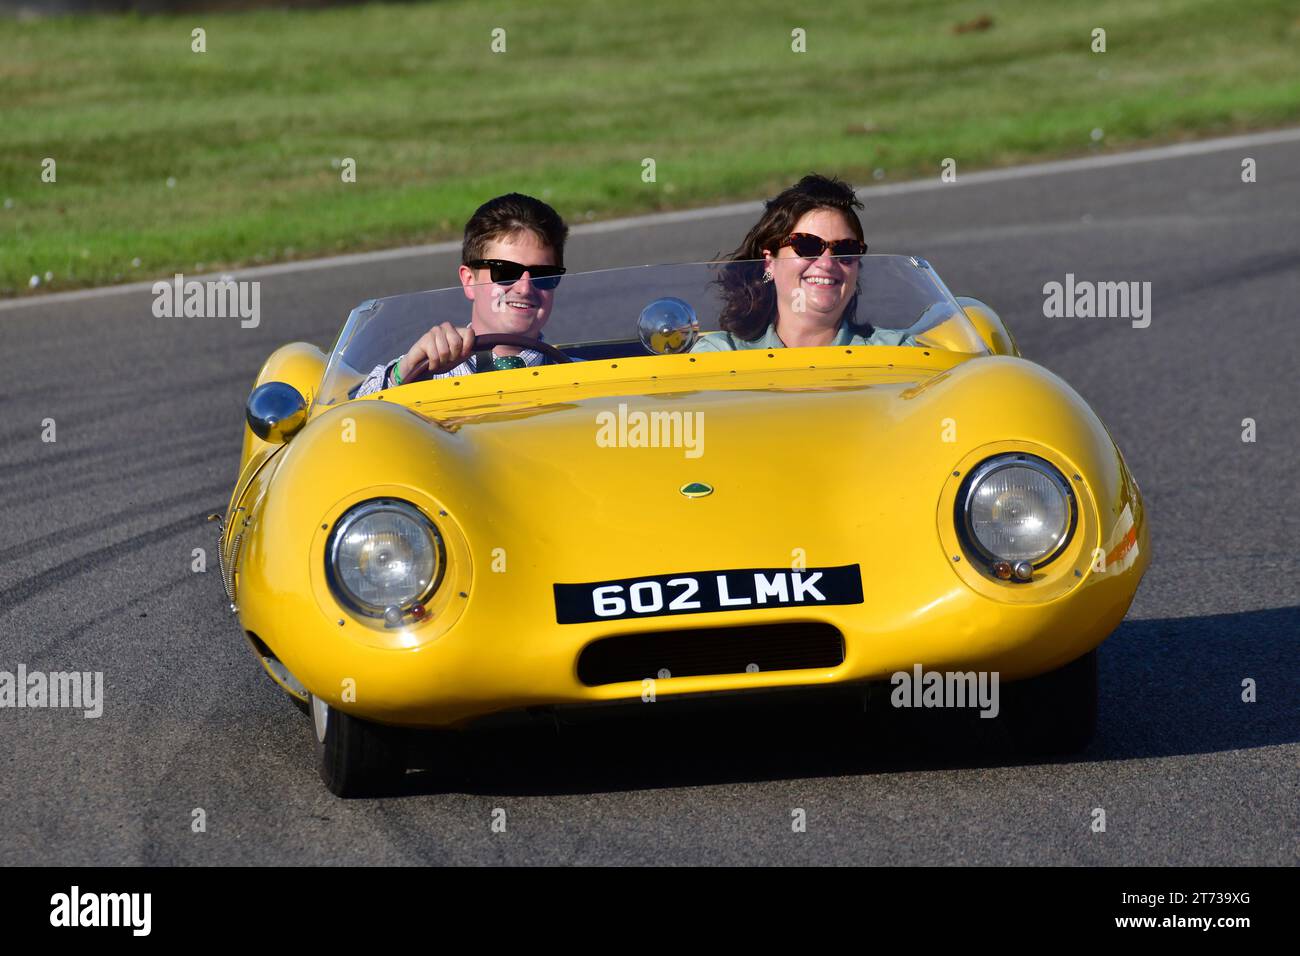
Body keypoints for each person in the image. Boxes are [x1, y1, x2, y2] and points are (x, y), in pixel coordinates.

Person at [355, 193, 569, 395]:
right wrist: (404, 372)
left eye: (542, 275)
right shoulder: (418, 376)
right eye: (506, 272)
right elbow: (357, 420)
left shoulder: (580, 377)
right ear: (469, 280)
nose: (524, 288)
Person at [692, 173, 913, 352]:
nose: (827, 263)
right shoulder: (720, 354)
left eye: (845, 249)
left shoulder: (897, 352)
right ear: (769, 263)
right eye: (807, 246)